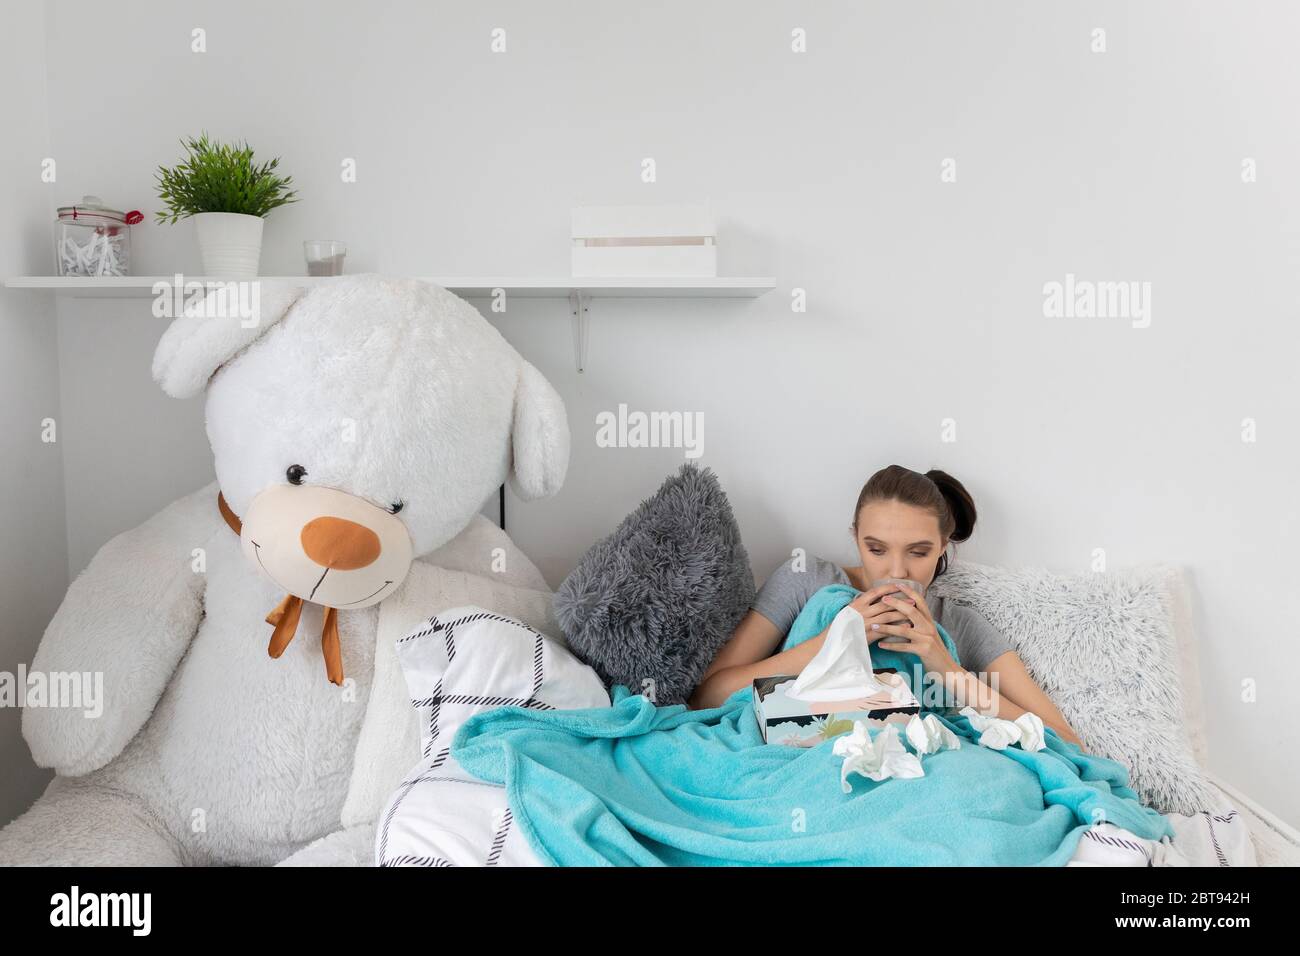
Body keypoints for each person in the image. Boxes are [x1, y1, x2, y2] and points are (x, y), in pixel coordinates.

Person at [688, 465, 1083, 748]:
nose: (896, 570)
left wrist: (946, 668)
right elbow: (708, 695)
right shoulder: (807, 578)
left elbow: (1065, 742)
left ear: (943, 548)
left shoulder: (956, 623)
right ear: (855, 537)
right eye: (876, 549)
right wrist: (836, 639)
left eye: (919, 551)